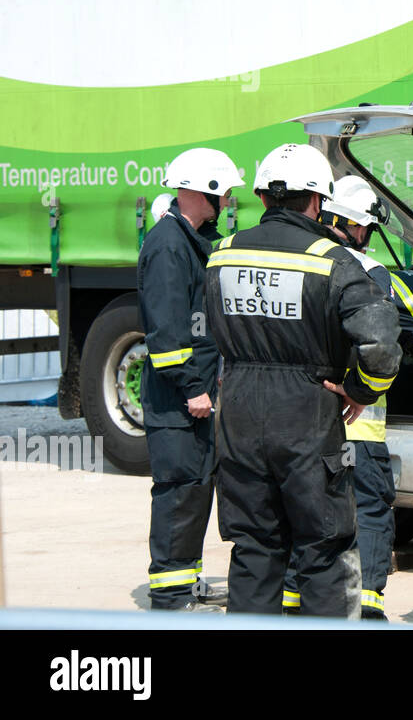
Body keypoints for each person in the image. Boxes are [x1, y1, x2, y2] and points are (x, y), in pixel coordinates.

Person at [205, 144, 400, 616]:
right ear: (317, 201)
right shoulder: (334, 260)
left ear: (264, 197)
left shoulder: (221, 254)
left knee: (253, 549)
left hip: (239, 415)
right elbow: (380, 344)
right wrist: (359, 390)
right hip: (307, 416)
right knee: (323, 547)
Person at [281, 175, 413, 619]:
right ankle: (367, 606)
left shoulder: (305, 262)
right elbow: (412, 324)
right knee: (370, 511)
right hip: (358, 424)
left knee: (303, 510)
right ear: (360, 226)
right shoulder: (372, 272)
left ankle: (293, 600)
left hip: (303, 420)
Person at [137, 148, 243, 611]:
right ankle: (172, 597)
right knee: (179, 492)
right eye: (225, 193)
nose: (229, 202)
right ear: (207, 191)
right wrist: (193, 386)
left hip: (195, 396)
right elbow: (166, 329)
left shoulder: (194, 240)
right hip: (177, 400)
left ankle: (187, 581)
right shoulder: (167, 245)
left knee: (196, 490)